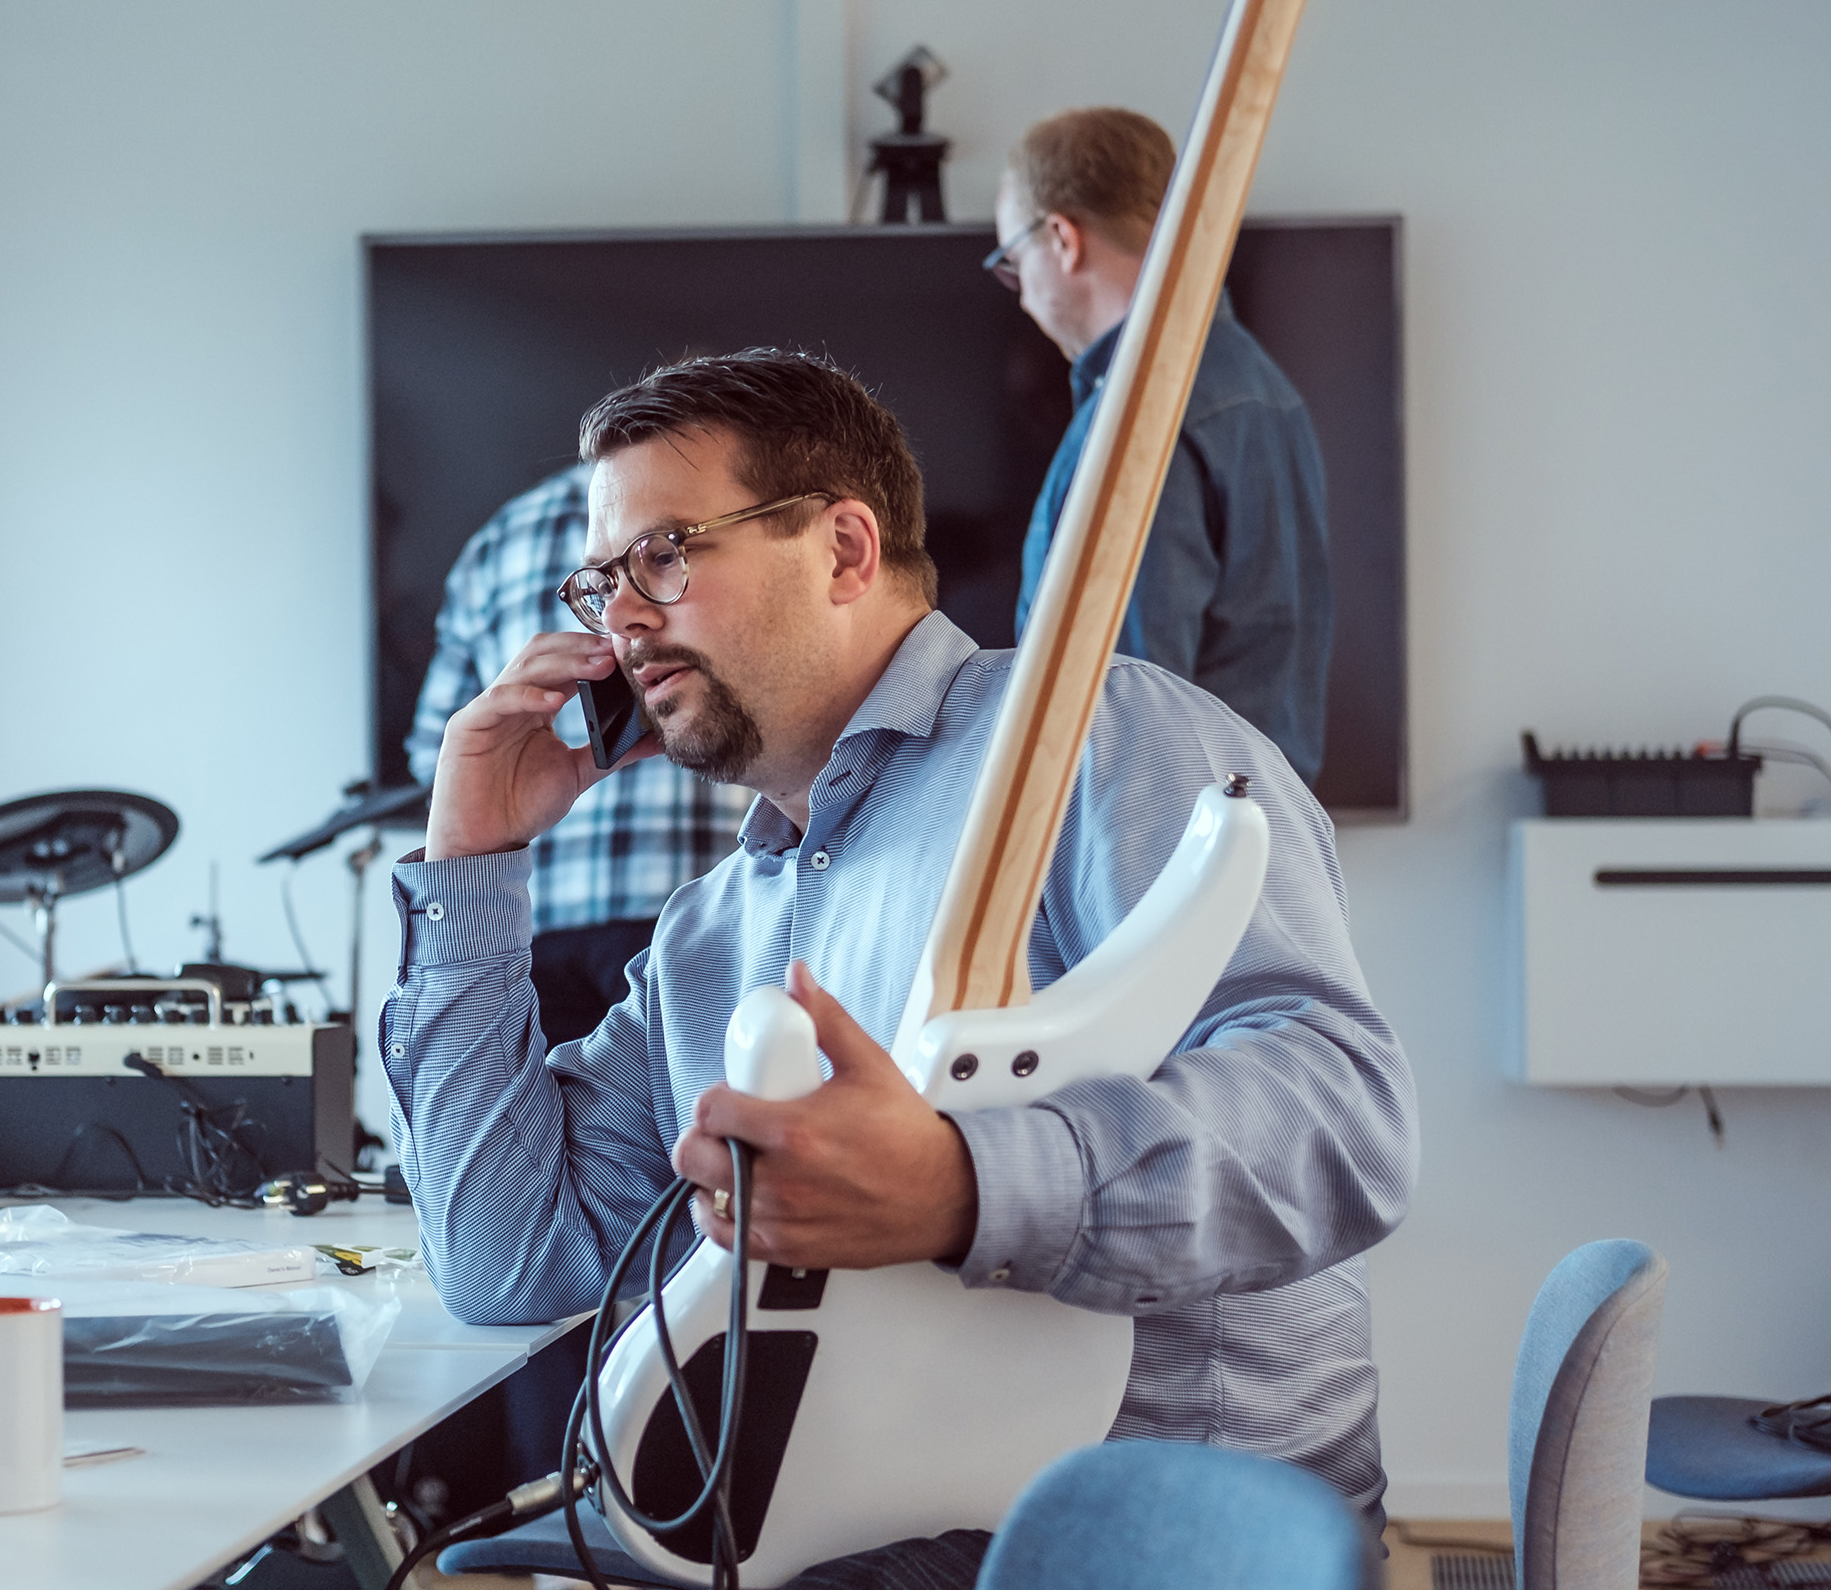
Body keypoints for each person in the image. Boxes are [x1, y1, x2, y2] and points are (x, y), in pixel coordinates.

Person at [387, 351, 1414, 1587]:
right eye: (602, 581)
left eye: (665, 555)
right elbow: (507, 1258)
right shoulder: (709, 935)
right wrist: (471, 861)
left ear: (845, 550)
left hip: (1142, 1538)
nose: (621, 620)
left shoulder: (1092, 741)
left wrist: (963, 1189)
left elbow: (1344, 1126)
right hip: (837, 1523)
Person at [995, 106, 1333, 782]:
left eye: (1013, 263)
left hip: (1160, 863)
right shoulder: (1263, 389)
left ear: (1062, 239)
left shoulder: (1141, 419)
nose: (1023, 297)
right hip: (1249, 840)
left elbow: (1128, 729)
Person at [409, 461, 752, 1048]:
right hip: (705, 897)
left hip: (543, 910)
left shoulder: (496, 541)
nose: (620, 618)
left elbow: (437, 750)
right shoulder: (711, 491)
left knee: (545, 1128)